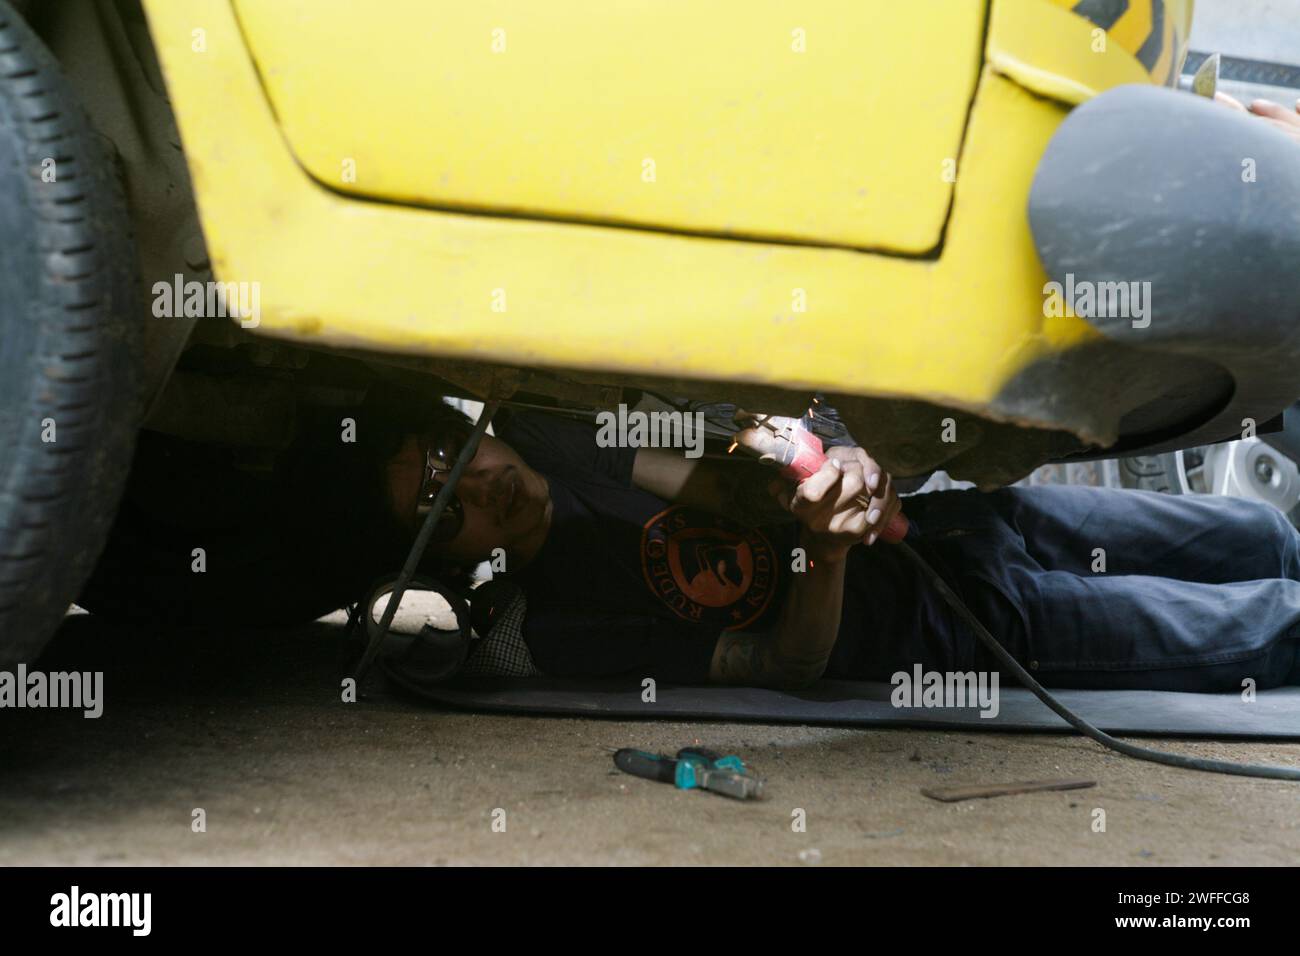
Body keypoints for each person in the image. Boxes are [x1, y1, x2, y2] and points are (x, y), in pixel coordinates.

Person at [375, 402, 1300, 693]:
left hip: (968, 524)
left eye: (453, 459)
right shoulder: (569, 629)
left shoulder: (577, 447)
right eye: (441, 510)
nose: (473, 487)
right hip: (950, 629)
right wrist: (825, 556)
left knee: (1262, 534)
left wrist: (817, 451)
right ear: (451, 560)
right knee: (1270, 627)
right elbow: (789, 661)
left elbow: (725, 483)